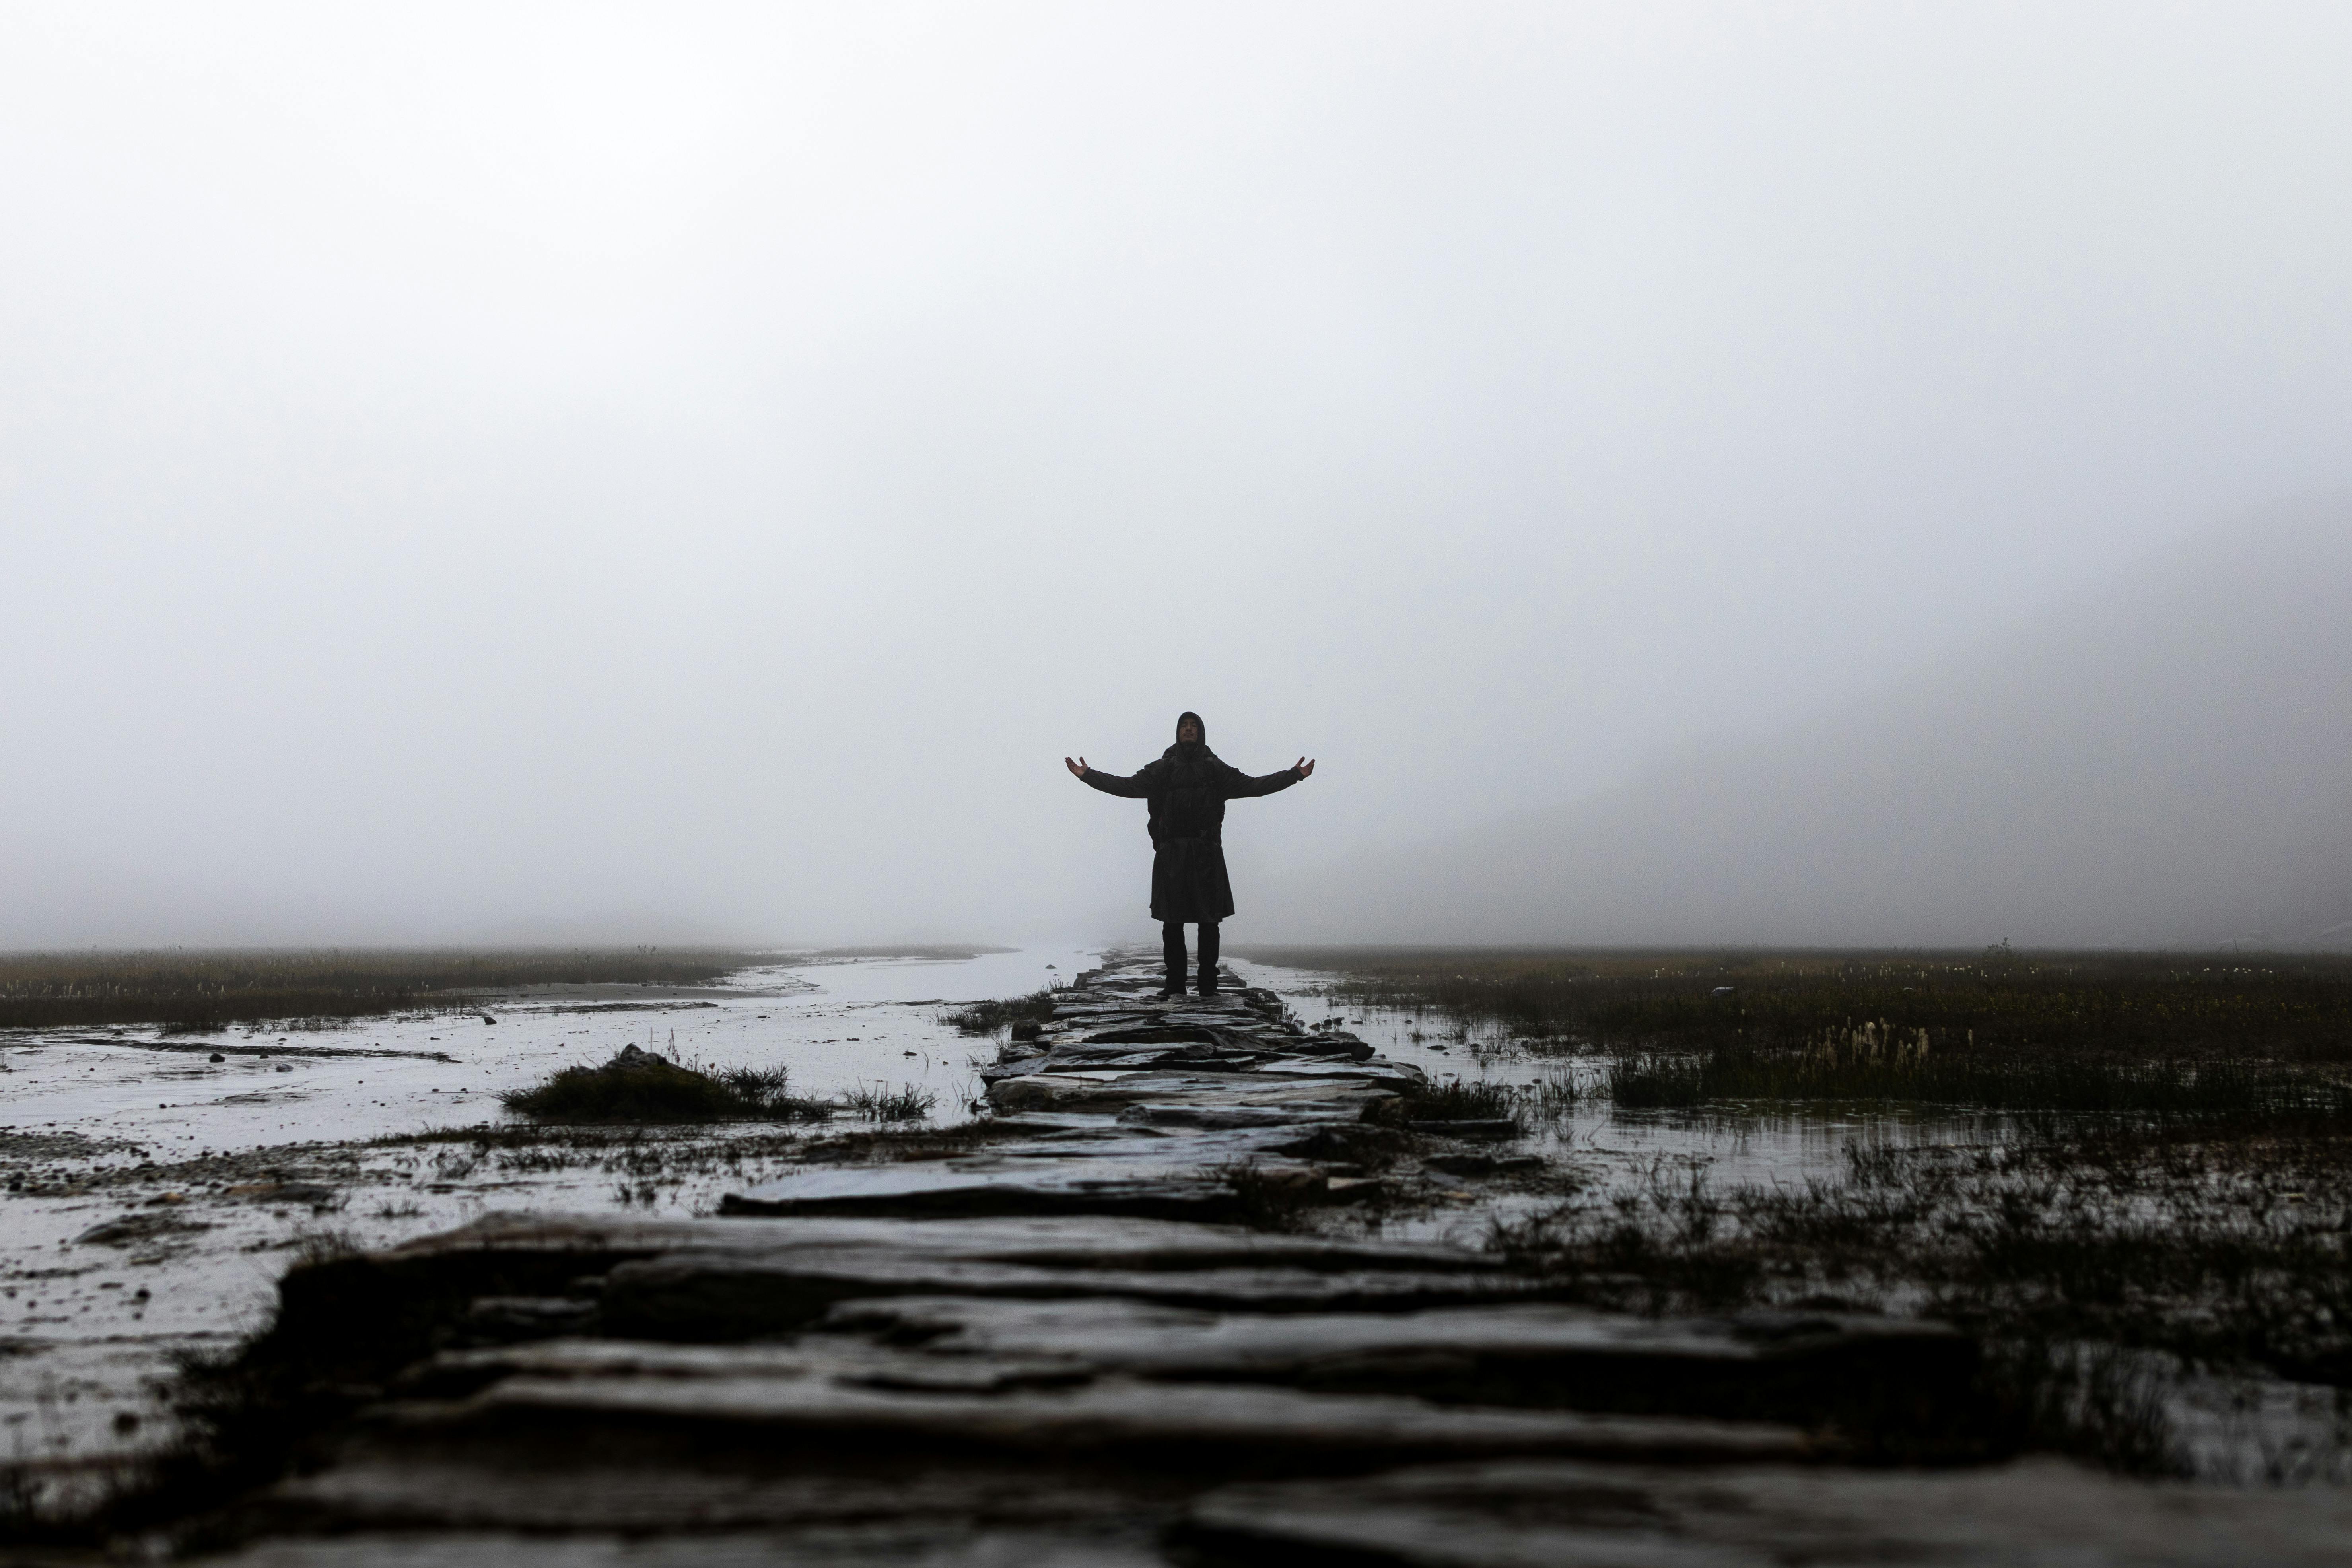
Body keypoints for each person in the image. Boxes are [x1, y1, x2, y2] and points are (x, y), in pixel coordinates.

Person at [1066, 711, 1315, 1000]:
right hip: (1172, 854)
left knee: (1209, 923)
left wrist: (1294, 775)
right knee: (1172, 924)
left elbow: (1253, 786)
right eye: (1184, 726)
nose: (1188, 730)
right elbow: (1127, 786)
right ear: (1177, 732)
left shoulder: (1214, 768)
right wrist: (1089, 776)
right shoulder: (1163, 768)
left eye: (1193, 726)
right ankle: (1175, 986)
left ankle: (1208, 986)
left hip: (1206, 853)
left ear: (1201, 732)